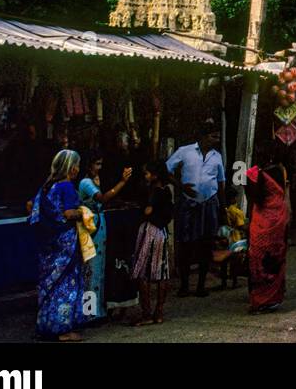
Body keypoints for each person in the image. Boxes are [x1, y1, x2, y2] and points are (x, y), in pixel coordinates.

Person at [166, 118, 226, 298]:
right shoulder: (185, 151)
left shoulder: (217, 156)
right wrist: (180, 186)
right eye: (213, 136)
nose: (216, 139)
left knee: (206, 244)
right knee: (186, 244)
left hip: (209, 203)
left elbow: (221, 182)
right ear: (204, 137)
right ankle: (184, 285)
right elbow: (166, 169)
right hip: (188, 203)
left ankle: (201, 285)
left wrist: (222, 208)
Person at [30, 149, 86, 341]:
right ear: (70, 168)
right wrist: (84, 212)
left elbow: (32, 208)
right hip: (65, 242)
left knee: (49, 283)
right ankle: (63, 329)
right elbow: (69, 213)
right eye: (76, 165)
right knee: (66, 285)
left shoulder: (48, 186)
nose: (78, 169)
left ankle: (46, 324)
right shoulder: (67, 187)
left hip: (49, 242)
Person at [77, 151, 132, 323]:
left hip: (98, 225)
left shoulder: (95, 180)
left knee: (98, 270)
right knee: (91, 271)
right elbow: (102, 198)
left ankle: (97, 310)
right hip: (91, 227)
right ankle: (89, 313)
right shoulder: (86, 182)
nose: (99, 168)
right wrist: (122, 182)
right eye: (97, 164)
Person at [246, 144, 291, 313]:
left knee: (258, 258)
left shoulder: (256, 174)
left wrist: (252, 176)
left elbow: (255, 197)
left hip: (263, 221)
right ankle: (274, 297)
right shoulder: (280, 171)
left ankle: (260, 300)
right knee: (276, 257)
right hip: (279, 218)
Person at [130, 160, 174, 326]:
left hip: (150, 231)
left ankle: (147, 313)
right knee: (161, 273)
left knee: (142, 273)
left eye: (147, 173)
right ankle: (159, 311)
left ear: (154, 175)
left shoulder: (154, 192)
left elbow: (148, 210)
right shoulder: (167, 190)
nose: (146, 176)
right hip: (161, 232)